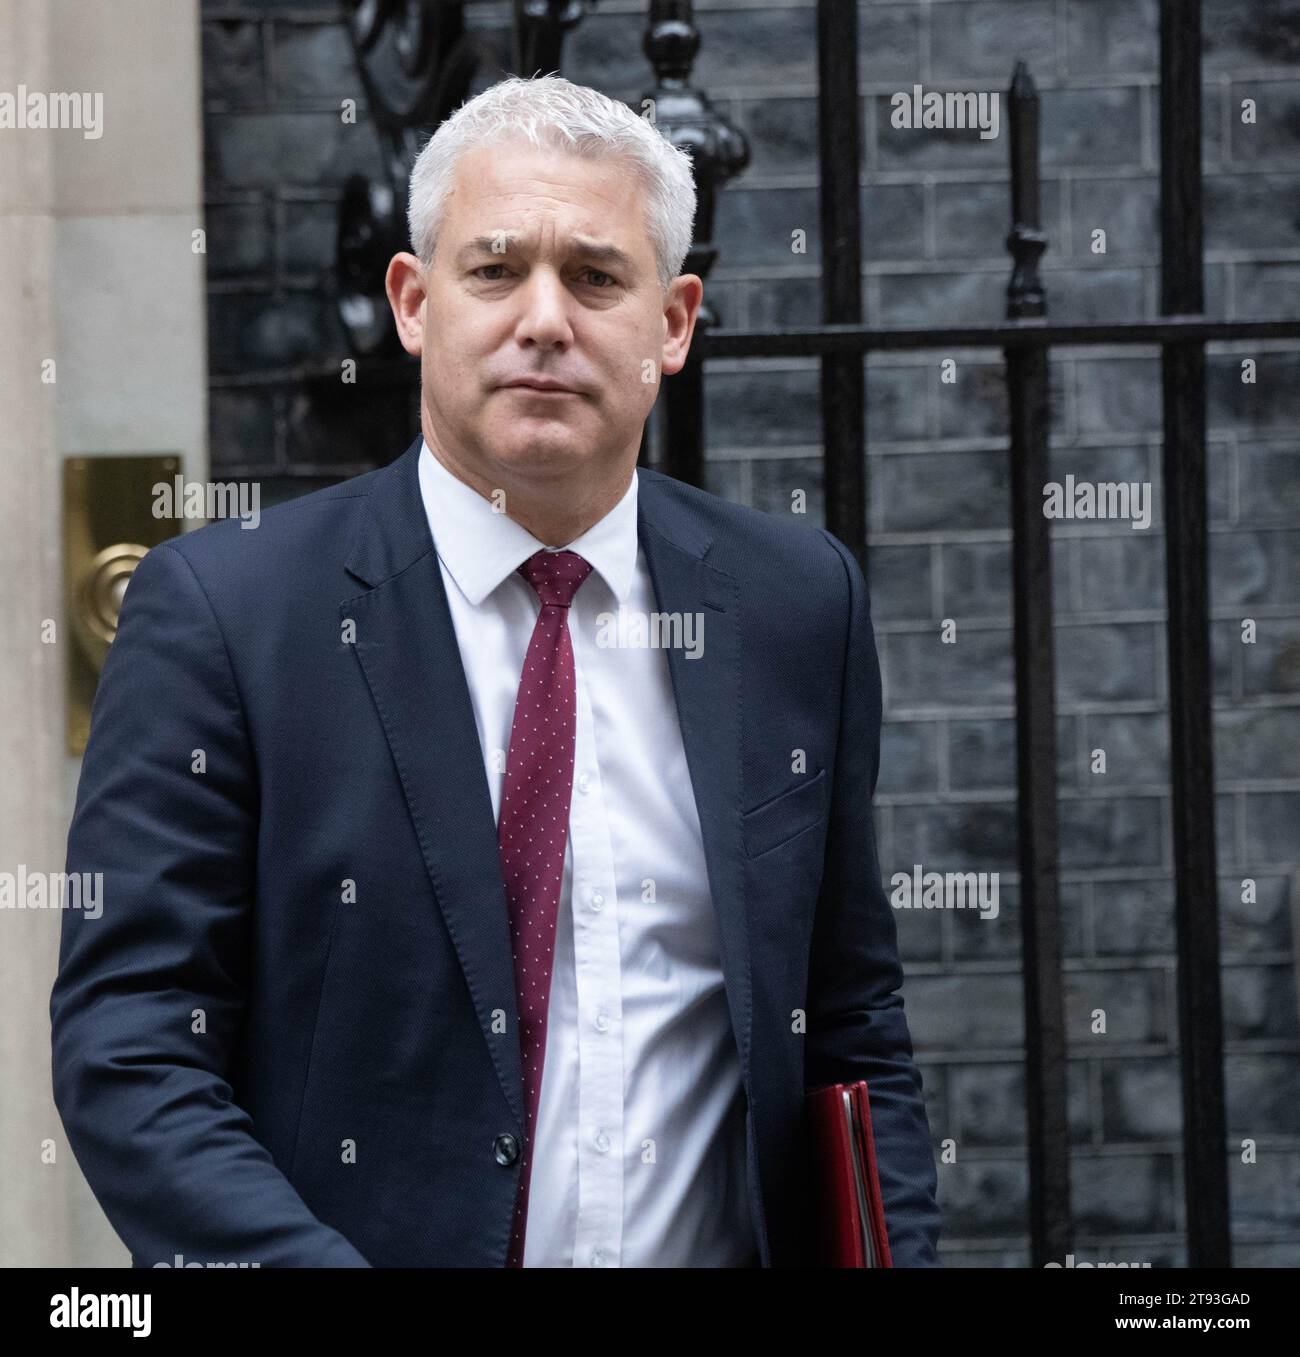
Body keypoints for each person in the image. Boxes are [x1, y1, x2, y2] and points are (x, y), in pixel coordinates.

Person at [50, 73, 940, 1268]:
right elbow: (132, 1047)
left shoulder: (794, 603)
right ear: (414, 303)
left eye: (594, 275)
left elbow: (849, 1025)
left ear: (672, 323)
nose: (544, 318)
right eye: (494, 268)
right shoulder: (228, 613)